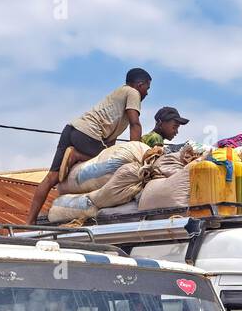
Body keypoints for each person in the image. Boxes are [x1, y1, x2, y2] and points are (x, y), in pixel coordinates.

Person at [27, 68, 152, 223]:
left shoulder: (117, 97)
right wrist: (137, 153)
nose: (147, 93)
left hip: (72, 129)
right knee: (108, 164)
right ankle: (77, 155)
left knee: (51, 178)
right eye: (147, 88)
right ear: (140, 84)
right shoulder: (133, 93)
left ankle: (30, 221)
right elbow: (135, 124)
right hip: (88, 134)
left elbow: (109, 147)